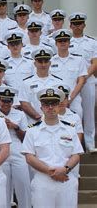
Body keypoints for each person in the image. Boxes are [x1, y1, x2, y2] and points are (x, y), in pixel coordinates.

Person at [22, 87, 83, 208]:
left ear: (59, 105)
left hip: (66, 179)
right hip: (42, 181)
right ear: (41, 108)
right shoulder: (32, 130)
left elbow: (76, 154)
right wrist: (51, 172)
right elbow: (29, 157)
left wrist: (64, 169)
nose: (50, 107)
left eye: (54, 103)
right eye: (46, 104)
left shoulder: (70, 129)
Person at [0, 86, 31, 208]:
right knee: (2, 187)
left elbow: (25, 137)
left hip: (17, 148)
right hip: (0, 150)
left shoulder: (20, 114)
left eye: (8, 101)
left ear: (12, 101)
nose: (6, 104)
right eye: (3, 101)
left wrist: (15, 127)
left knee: (23, 184)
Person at [68, 12, 97, 152]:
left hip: (88, 80)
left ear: (84, 25)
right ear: (70, 26)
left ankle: (90, 142)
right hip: (73, 82)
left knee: (89, 112)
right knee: (75, 112)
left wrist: (85, 76)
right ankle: (75, 142)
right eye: (74, 24)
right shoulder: (67, 42)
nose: (77, 26)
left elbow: (95, 62)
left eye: (79, 24)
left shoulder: (92, 42)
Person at [19, 48, 63, 124]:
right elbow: (25, 104)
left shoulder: (59, 82)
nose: (43, 65)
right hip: (34, 122)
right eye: (40, 61)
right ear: (35, 63)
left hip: (55, 122)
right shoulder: (26, 82)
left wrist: (50, 119)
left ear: (50, 63)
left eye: (46, 61)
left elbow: (62, 103)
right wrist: (40, 119)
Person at [50, 29, 86, 117]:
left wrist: (70, 98)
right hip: (55, 100)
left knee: (76, 125)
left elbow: (81, 80)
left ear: (69, 43)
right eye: (60, 41)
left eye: (65, 40)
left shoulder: (78, 60)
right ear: (56, 43)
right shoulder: (50, 61)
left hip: (74, 99)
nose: (63, 43)